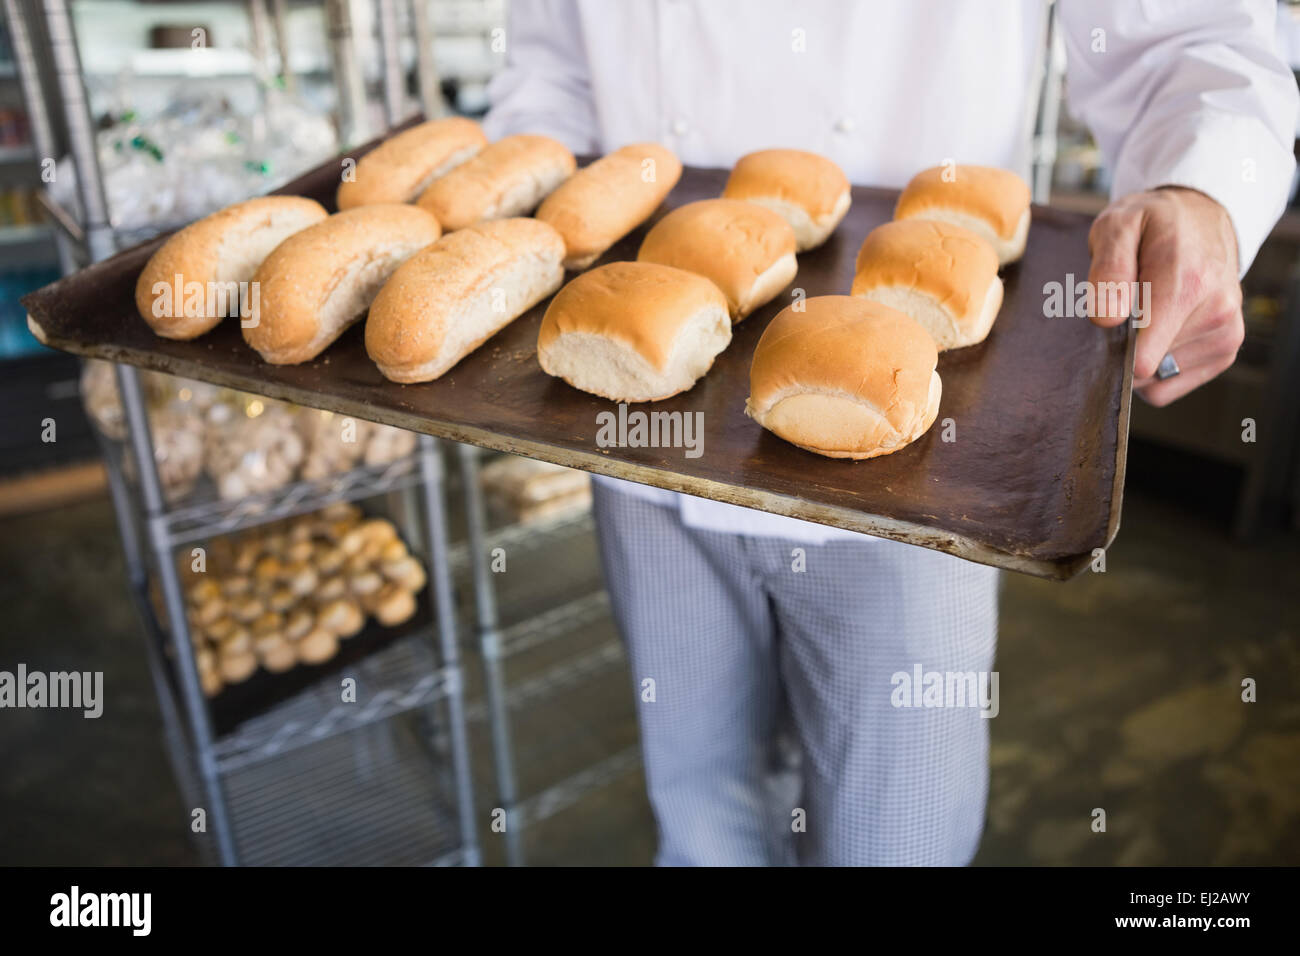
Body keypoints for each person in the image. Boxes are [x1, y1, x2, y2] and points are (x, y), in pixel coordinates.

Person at [484, 0, 1298, 866]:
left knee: (896, 836)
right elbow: (550, 75)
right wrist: (533, 211)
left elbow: (1186, 34)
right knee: (698, 805)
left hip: (923, 485)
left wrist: (1201, 188)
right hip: (636, 451)